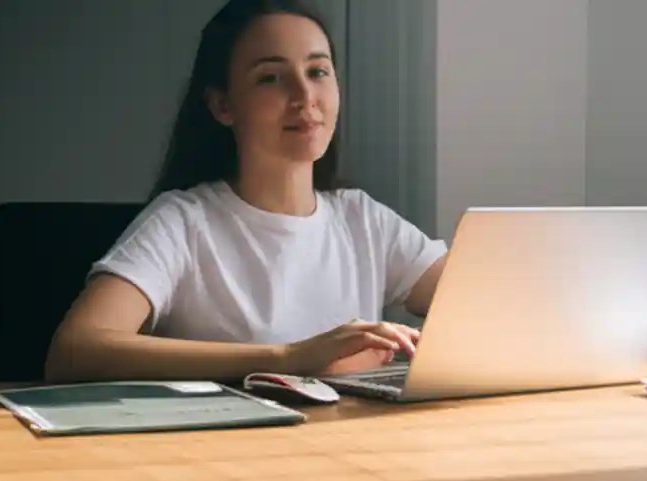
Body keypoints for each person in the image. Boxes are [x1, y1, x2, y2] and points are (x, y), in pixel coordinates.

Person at [44, 0, 446, 383]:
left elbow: (483, 305)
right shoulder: (183, 222)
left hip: (347, 444)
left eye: (318, 72)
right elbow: (76, 350)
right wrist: (286, 358)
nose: (305, 97)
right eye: (271, 77)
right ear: (222, 105)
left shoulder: (363, 219)